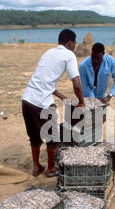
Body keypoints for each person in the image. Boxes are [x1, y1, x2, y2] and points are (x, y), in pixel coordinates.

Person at [22, 29, 85, 178]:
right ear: (69, 42)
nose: (74, 47)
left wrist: (63, 97)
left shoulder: (48, 53)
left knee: (35, 137)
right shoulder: (69, 55)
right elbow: (76, 83)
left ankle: (37, 167)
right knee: (53, 139)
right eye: (74, 44)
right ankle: (51, 169)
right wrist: (81, 102)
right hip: (42, 103)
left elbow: (45, 82)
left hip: (27, 100)